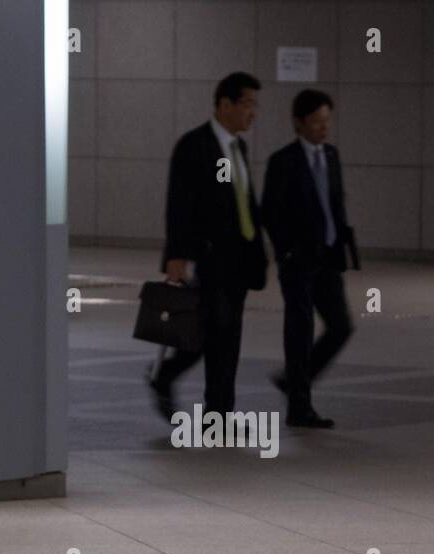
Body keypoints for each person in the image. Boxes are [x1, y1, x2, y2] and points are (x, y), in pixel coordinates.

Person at [148, 72, 269, 422]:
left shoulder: (239, 148)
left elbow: (244, 202)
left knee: (225, 338)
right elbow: (179, 204)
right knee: (215, 332)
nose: (253, 112)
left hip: (240, 260)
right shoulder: (194, 145)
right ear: (224, 104)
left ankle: (212, 410)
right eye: (247, 104)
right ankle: (210, 409)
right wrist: (176, 255)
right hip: (209, 257)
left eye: (255, 105)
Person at [262, 89, 355, 429]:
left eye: (327, 120)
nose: (323, 127)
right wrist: (286, 251)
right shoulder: (283, 161)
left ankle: (293, 380)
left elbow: (335, 203)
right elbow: (269, 212)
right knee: (299, 332)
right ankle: (299, 406)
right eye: (316, 121)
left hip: (327, 258)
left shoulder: (331, 155)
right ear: (298, 123)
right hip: (298, 261)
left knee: (341, 326)